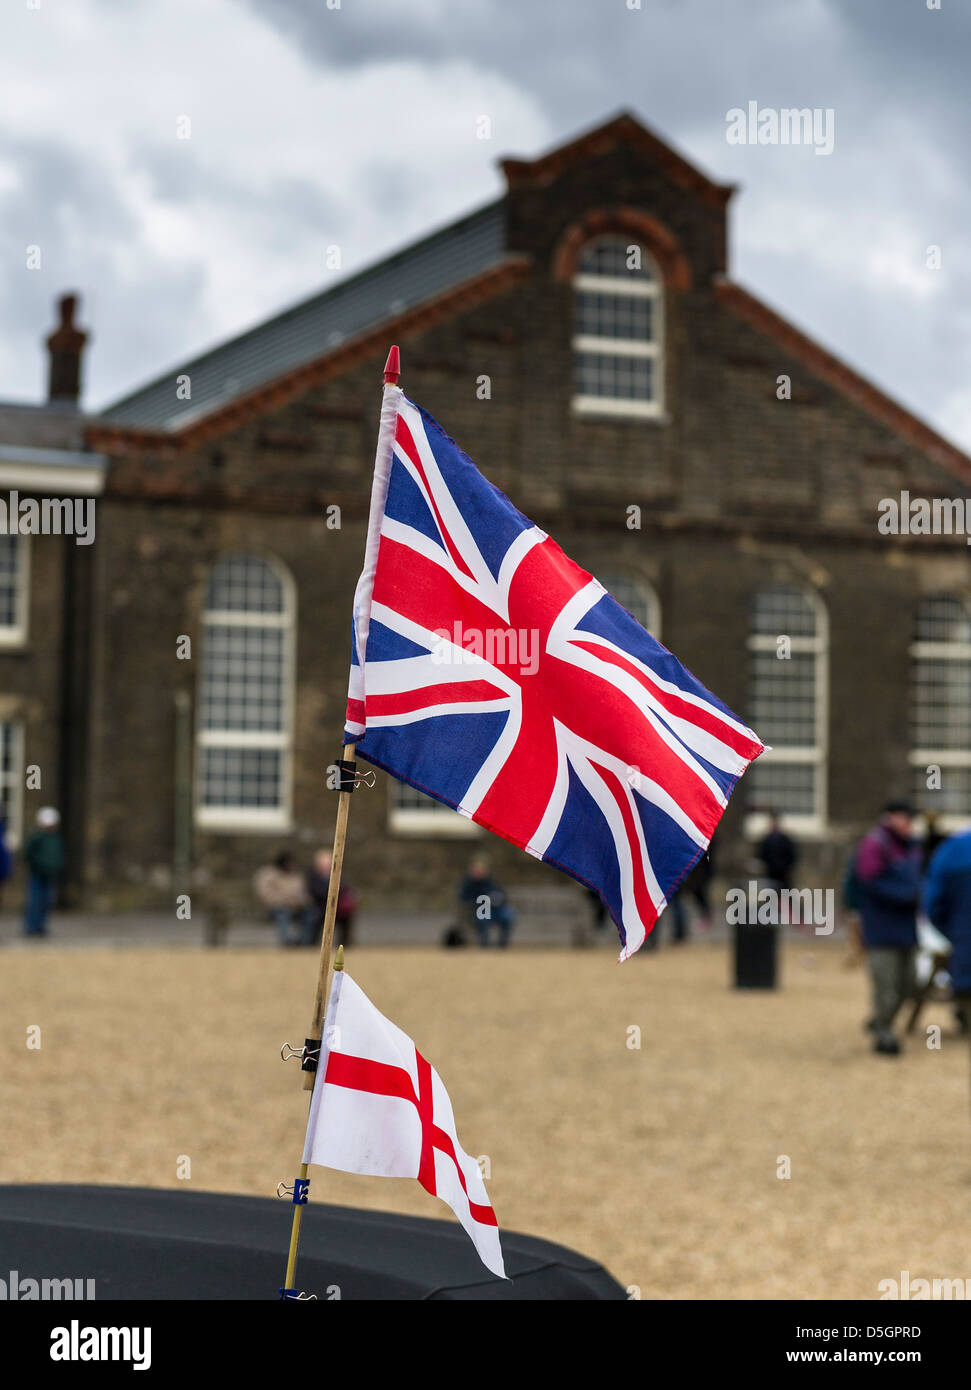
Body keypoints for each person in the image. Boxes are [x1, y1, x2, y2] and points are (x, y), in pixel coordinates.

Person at [854, 799, 922, 1055]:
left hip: (906, 928)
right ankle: (884, 1034)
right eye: (904, 818)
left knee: (910, 983)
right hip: (881, 928)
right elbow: (868, 882)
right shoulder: (875, 844)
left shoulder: (912, 847)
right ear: (890, 817)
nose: (908, 824)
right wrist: (904, 896)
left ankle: (879, 1020)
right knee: (886, 984)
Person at [923, 828, 971, 1039]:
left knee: (964, 980)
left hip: (962, 934)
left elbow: (933, 903)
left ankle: (965, 1016)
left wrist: (950, 930)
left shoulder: (951, 850)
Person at [22, 807, 65, 937]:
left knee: (46, 902)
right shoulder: (37, 837)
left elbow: (58, 854)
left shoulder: (56, 837)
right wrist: (36, 866)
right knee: (35, 901)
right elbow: (28, 853)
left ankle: (40, 927)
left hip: (50, 874)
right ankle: (32, 927)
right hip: (38, 873)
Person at [253, 851, 310, 947]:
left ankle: (303, 942)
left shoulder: (296, 875)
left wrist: (302, 902)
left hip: (297, 907)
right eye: (289, 863)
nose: (292, 865)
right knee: (282, 912)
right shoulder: (268, 874)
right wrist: (286, 901)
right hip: (275, 907)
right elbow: (266, 894)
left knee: (312, 913)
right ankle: (287, 941)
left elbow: (303, 893)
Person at [305, 848, 358, 949]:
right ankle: (311, 944)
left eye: (328, 863)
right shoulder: (313, 877)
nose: (326, 866)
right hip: (320, 907)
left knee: (347, 916)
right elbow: (315, 892)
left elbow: (345, 889)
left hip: (338, 908)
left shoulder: (338, 876)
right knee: (313, 917)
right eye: (324, 863)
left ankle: (344, 944)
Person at [459, 857, 515, 948]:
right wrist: (481, 901)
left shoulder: (492, 881)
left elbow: (503, 894)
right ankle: (484, 944)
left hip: (497, 909)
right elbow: (464, 898)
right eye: (477, 870)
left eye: (482, 870)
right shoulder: (468, 884)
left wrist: (498, 898)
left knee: (507, 917)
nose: (480, 872)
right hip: (480, 909)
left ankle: (502, 944)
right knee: (482, 920)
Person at [758, 812, 798, 891]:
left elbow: (792, 856)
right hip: (770, 874)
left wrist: (785, 867)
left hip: (784, 874)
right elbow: (762, 855)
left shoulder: (785, 840)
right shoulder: (767, 840)